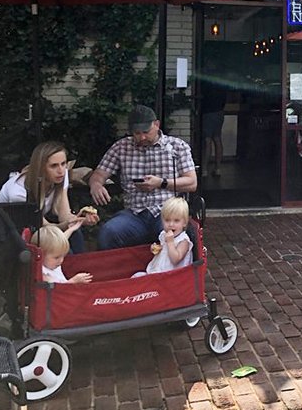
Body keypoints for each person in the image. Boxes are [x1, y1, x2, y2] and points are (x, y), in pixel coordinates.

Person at [89, 105, 197, 250]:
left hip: (166, 212)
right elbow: (99, 174)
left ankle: (171, 273)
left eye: (146, 132)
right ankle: (113, 272)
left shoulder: (177, 146)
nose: (142, 137)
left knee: (172, 235)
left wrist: (161, 183)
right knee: (108, 232)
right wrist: (96, 184)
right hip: (134, 213)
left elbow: (191, 182)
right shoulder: (121, 147)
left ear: (156, 125)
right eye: (137, 133)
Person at [0, 141, 98, 253]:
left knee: (75, 233)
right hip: (10, 234)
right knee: (63, 250)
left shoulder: (61, 176)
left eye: (63, 164)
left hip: (37, 228)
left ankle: (81, 265)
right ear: (40, 168)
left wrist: (79, 219)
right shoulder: (19, 192)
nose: (61, 170)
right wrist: (71, 224)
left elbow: (64, 215)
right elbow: (45, 226)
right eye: (54, 166)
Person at [133, 197, 193, 276]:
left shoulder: (183, 241)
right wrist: (156, 248)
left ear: (184, 223)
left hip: (172, 276)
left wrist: (170, 242)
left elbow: (175, 259)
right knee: (136, 276)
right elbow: (163, 249)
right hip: (158, 270)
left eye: (176, 221)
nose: (171, 224)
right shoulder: (164, 234)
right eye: (167, 220)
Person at [201, 80, 227, 178]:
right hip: (219, 112)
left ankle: (204, 169)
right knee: (217, 139)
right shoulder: (222, 86)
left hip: (208, 113)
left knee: (207, 141)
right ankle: (218, 168)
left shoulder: (205, 85)